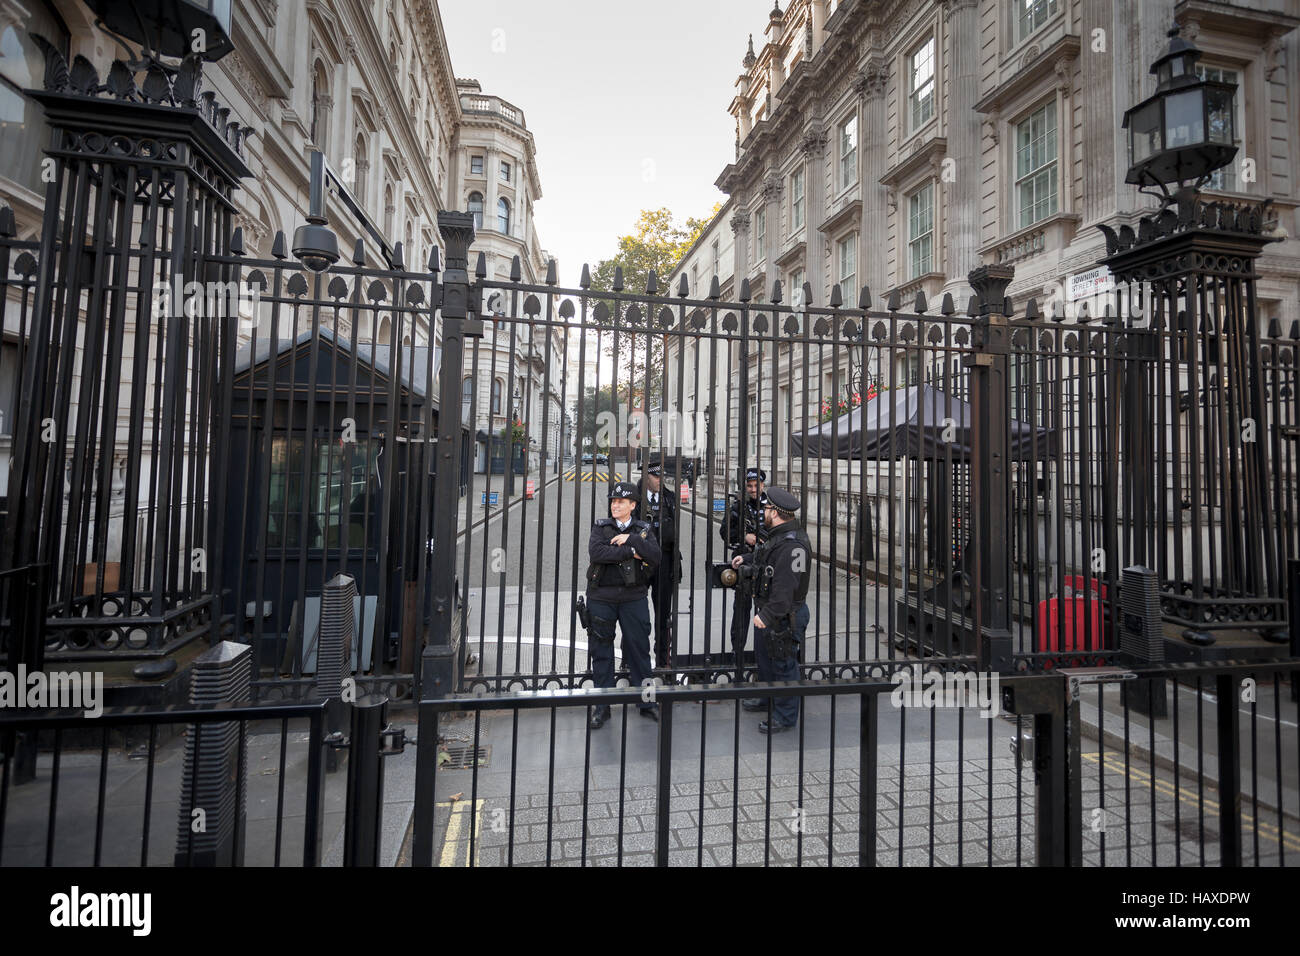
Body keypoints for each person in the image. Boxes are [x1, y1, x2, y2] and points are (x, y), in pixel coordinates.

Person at [731, 487, 810, 733]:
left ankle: (785, 716)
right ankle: (767, 696)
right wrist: (747, 558)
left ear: (775, 513)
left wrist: (766, 615)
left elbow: (785, 590)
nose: (764, 511)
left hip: (782, 615)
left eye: (766, 509)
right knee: (766, 661)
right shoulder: (779, 535)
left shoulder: (793, 544)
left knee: (784, 665)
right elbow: (768, 561)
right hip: (770, 611)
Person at [585, 480, 662, 729]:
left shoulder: (642, 529)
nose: (615, 504)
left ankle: (647, 702)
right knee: (601, 652)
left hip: (633, 597)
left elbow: (655, 556)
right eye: (613, 500)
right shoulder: (601, 527)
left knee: (640, 651)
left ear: (633, 504)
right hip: (602, 598)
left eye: (620, 501)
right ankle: (602, 706)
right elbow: (597, 553)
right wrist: (631, 552)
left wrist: (630, 540)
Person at [720, 468, 766, 688]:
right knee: (741, 609)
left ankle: (762, 656)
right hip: (744, 564)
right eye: (749, 486)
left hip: (767, 565)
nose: (753, 489)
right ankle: (737, 654)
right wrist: (744, 536)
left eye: (757, 485)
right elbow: (724, 532)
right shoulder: (738, 506)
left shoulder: (772, 505)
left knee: (765, 610)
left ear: (763, 485)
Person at [636, 457, 681, 670]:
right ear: (645, 476)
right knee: (635, 614)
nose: (659, 479)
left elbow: (674, 532)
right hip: (639, 563)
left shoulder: (669, 498)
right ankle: (632, 660)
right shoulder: (632, 497)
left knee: (663, 616)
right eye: (655, 475)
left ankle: (663, 662)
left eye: (662, 475)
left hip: (664, 561)